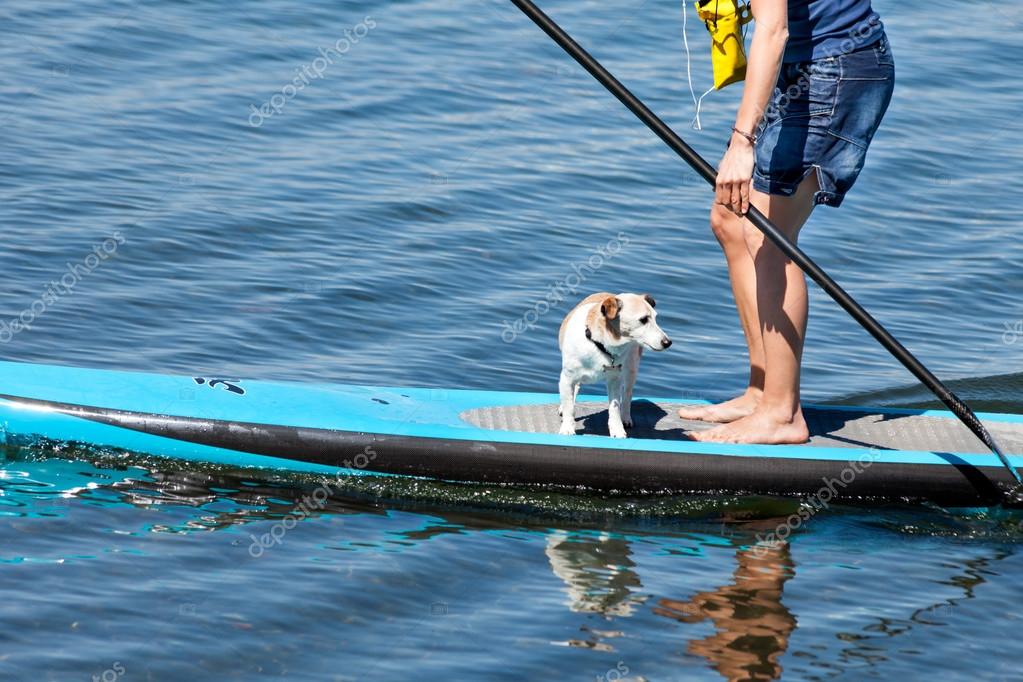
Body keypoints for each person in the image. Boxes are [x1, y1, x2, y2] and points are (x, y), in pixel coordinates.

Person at [680, 0, 894, 443]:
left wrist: (742, 142)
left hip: (836, 68)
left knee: (767, 235)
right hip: (802, 68)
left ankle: (782, 413)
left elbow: (773, 30)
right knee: (730, 218)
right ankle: (762, 391)